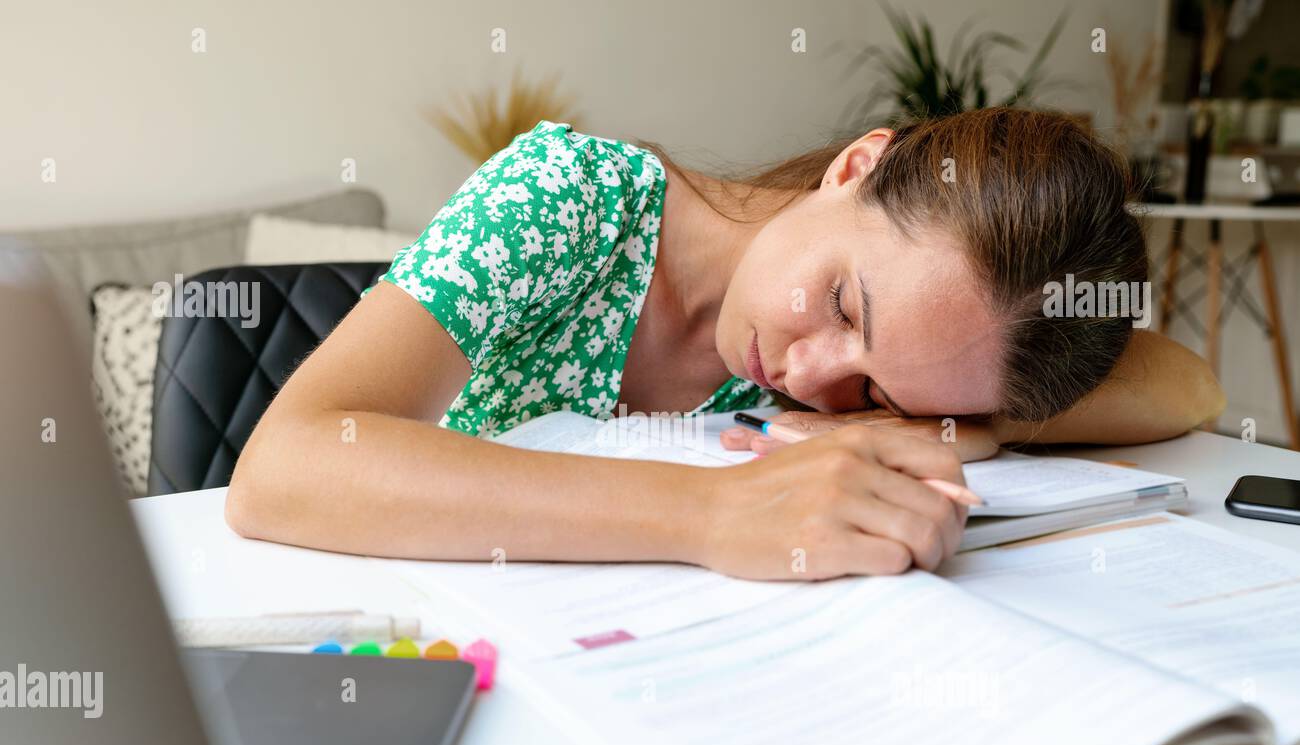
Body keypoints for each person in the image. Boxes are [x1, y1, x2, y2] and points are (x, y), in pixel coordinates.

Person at [225, 109, 1224, 580]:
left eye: (874, 386)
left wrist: (949, 419)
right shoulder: (566, 196)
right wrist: (709, 514)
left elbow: (1186, 390)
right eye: (840, 304)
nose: (808, 373)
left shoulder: (860, 382)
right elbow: (288, 464)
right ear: (854, 165)